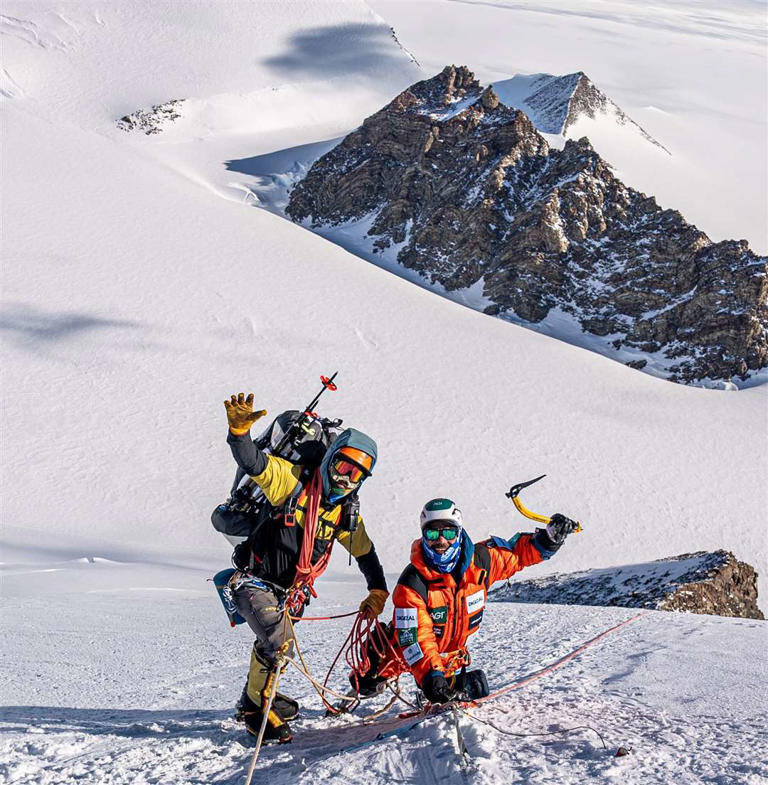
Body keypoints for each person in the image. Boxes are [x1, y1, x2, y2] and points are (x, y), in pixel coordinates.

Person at [223, 392, 389, 743]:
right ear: (330, 459)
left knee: (274, 645)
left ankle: (252, 697)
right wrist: (239, 436)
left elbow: (365, 553)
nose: (347, 480)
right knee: (277, 641)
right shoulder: (292, 481)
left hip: (292, 592)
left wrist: (377, 590)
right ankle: (256, 711)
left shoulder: (345, 515)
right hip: (254, 582)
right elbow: (256, 464)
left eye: (357, 476)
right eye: (344, 467)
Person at [350, 497, 578, 705]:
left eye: (448, 533)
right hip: (410, 651)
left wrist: (548, 539)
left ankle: (434, 685)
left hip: (452, 657)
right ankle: (366, 678)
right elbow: (416, 638)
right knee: (369, 680)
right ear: (423, 536)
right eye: (432, 534)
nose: (441, 541)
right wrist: (430, 676)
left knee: (471, 691)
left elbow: (517, 555)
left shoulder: (481, 561)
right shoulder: (412, 583)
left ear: (458, 533)